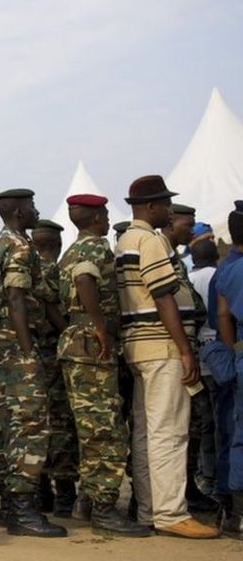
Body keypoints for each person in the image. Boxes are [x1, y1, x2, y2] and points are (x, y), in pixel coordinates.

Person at [115, 175, 220, 538]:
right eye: (165, 205)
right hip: (160, 346)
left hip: (138, 346)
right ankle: (171, 513)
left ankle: (149, 509)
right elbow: (163, 298)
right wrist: (185, 348)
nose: (169, 211)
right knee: (170, 432)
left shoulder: (126, 239)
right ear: (151, 207)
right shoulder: (149, 240)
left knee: (146, 432)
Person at [0, 188, 66, 537]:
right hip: (15, 347)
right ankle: (24, 509)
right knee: (31, 427)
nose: (37, 211)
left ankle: (10, 507)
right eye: (33, 206)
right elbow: (15, 296)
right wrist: (26, 348)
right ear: (21, 212)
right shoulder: (20, 247)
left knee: (4, 429)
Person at [56, 194, 151, 537]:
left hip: (73, 342)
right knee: (106, 429)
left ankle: (86, 500)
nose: (109, 218)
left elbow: (55, 298)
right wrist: (98, 326)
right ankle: (105, 508)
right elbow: (85, 281)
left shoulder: (68, 251)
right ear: (96, 216)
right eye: (106, 213)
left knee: (88, 428)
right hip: (91, 346)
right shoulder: (96, 247)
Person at [163, 204, 221, 513]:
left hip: (188, 352)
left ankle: (188, 487)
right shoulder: (162, 256)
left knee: (194, 424)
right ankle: (172, 495)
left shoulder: (178, 263)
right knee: (178, 426)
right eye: (189, 224)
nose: (191, 229)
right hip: (174, 353)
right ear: (172, 223)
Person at [30, 219, 78, 516]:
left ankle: (41, 491)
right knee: (61, 425)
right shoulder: (61, 274)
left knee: (36, 425)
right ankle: (64, 493)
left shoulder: (26, 275)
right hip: (58, 357)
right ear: (56, 245)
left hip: (32, 358)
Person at [212, 200, 243, 539]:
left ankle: (236, 513)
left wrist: (235, 349)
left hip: (239, 355)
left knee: (238, 436)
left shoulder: (226, 271)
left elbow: (221, 316)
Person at [190, 238, 220, 500]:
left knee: (201, 423)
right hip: (218, 357)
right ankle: (214, 478)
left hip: (195, 357)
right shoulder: (217, 276)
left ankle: (204, 475)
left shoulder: (187, 278)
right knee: (219, 421)